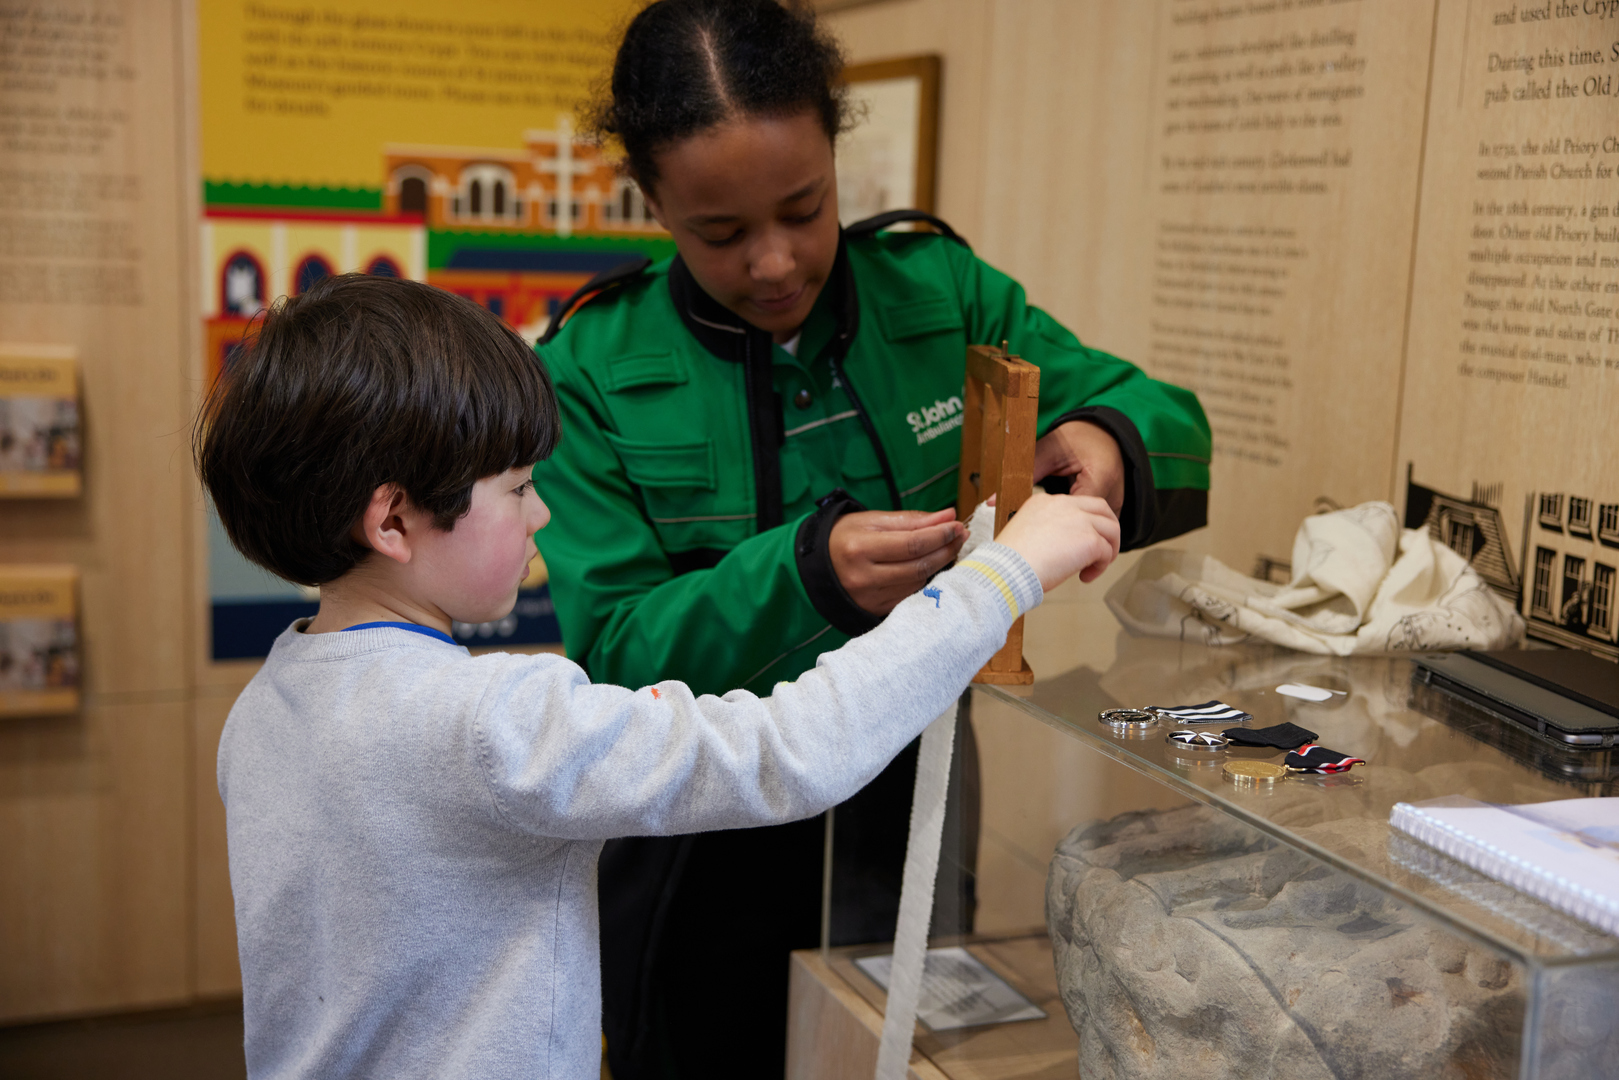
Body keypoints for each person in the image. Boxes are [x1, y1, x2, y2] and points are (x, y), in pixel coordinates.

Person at [195, 273, 1121, 1080]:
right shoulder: (485, 723)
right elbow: (788, 751)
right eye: (516, 488)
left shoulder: (266, 705)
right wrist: (1002, 578)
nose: (540, 515)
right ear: (394, 521)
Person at [532, 1, 1212, 1074]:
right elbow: (614, 649)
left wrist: (1103, 441)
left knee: (900, 1052)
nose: (773, 263)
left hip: (915, 797)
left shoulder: (939, 291)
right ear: (652, 204)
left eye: (803, 209)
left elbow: (1164, 416)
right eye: (720, 233)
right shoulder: (588, 369)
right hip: (700, 841)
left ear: (836, 157)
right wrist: (807, 575)